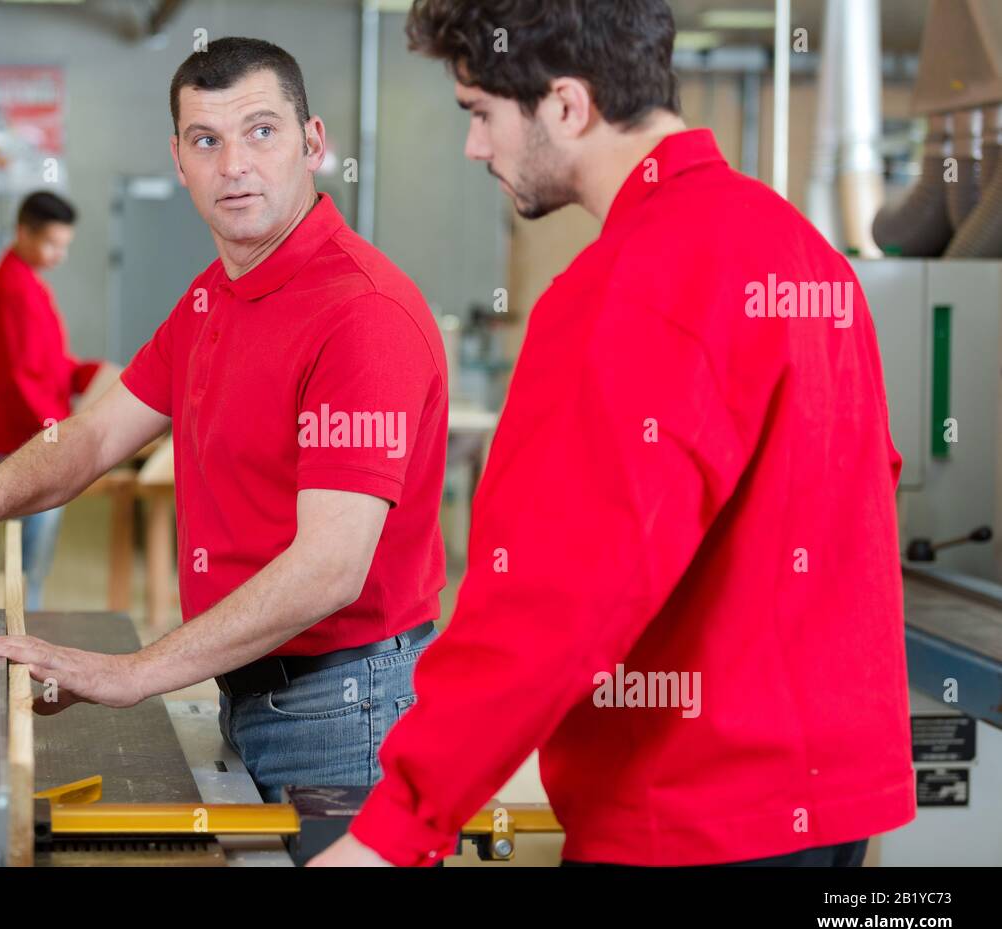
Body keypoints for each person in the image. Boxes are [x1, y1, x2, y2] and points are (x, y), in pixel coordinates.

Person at [313, 0, 914, 867]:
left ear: (567, 105)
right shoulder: (802, 253)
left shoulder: (632, 286)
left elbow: (552, 594)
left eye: (481, 114)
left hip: (689, 819)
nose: (475, 148)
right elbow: (860, 493)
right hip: (824, 813)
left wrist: (394, 827)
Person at [0, 38, 449, 802]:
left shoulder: (360, 315)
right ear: (178, 160)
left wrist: (134, 673)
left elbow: (329, 569)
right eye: (206, 141)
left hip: (347, 709)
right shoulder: (215, 296)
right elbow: (90, 435)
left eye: (261, 131)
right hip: (252, 684)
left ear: (314, 144)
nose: (234, 165)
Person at [0, 191, 117, 610]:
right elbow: (23, 380)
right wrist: (61, 437)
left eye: (65, 246)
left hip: (38, 432)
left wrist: (93, 375)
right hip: (30, 440)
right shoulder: (13, 291)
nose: (60, 255)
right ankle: (23, 646)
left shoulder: (28, 284)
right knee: (26, 567)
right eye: (52, 244)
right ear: (24, 232)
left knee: (31, 562)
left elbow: (48, 366)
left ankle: (25, 636)